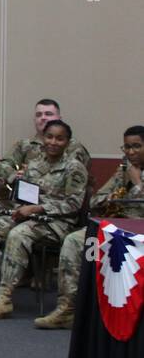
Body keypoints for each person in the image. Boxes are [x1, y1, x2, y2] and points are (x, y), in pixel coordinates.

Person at [0, 119, 88, 318]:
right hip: (28, 216)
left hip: (58, 223)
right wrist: (15, 197)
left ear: (67, 142)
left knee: (18, 234)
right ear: (43, 138)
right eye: (49, 137)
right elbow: (24, 195)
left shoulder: (75, 168)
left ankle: (3, 299)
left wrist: (38, 208)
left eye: (59, 139)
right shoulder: (34, 165)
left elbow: (73, 205)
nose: (53, 142)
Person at [35, 125, 144, 329]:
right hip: (115, 230)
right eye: (127, 147)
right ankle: (67, 308)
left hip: (139, 237)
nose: (130, 152)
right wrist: (111, 198)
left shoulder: (133, 173)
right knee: (74, 241)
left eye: (136, 146)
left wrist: (137, 184)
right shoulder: (124, 170)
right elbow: (95, 200)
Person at [0, 98, 91, 185]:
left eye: (48, 114)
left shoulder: (72, 146)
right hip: (26, 192)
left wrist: (31, 172)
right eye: (39, 115)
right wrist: (16, 175)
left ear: (59, 118)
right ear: (34, 120)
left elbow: (74, 174)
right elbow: (2, 166)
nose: (43, 117)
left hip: (58, 194)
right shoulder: (24, 145)